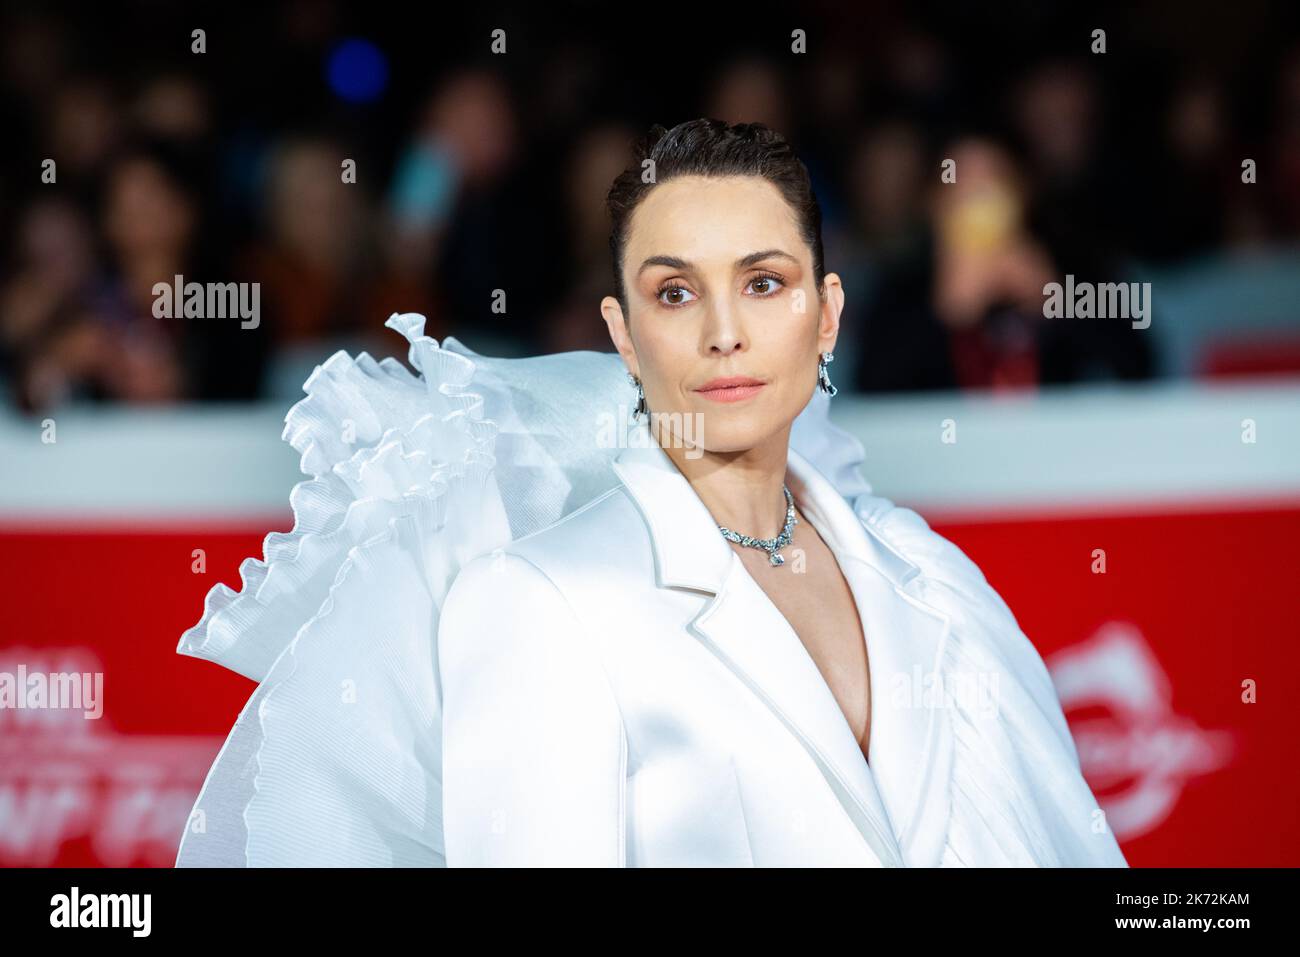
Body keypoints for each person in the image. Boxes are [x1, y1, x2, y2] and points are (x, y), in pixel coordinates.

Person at [175, 119, 1127, 868]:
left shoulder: (927, 577)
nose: (724, 332)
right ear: (623, 336)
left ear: (827, 314)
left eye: (764, 282)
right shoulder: (531, 604)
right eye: (675, 293)